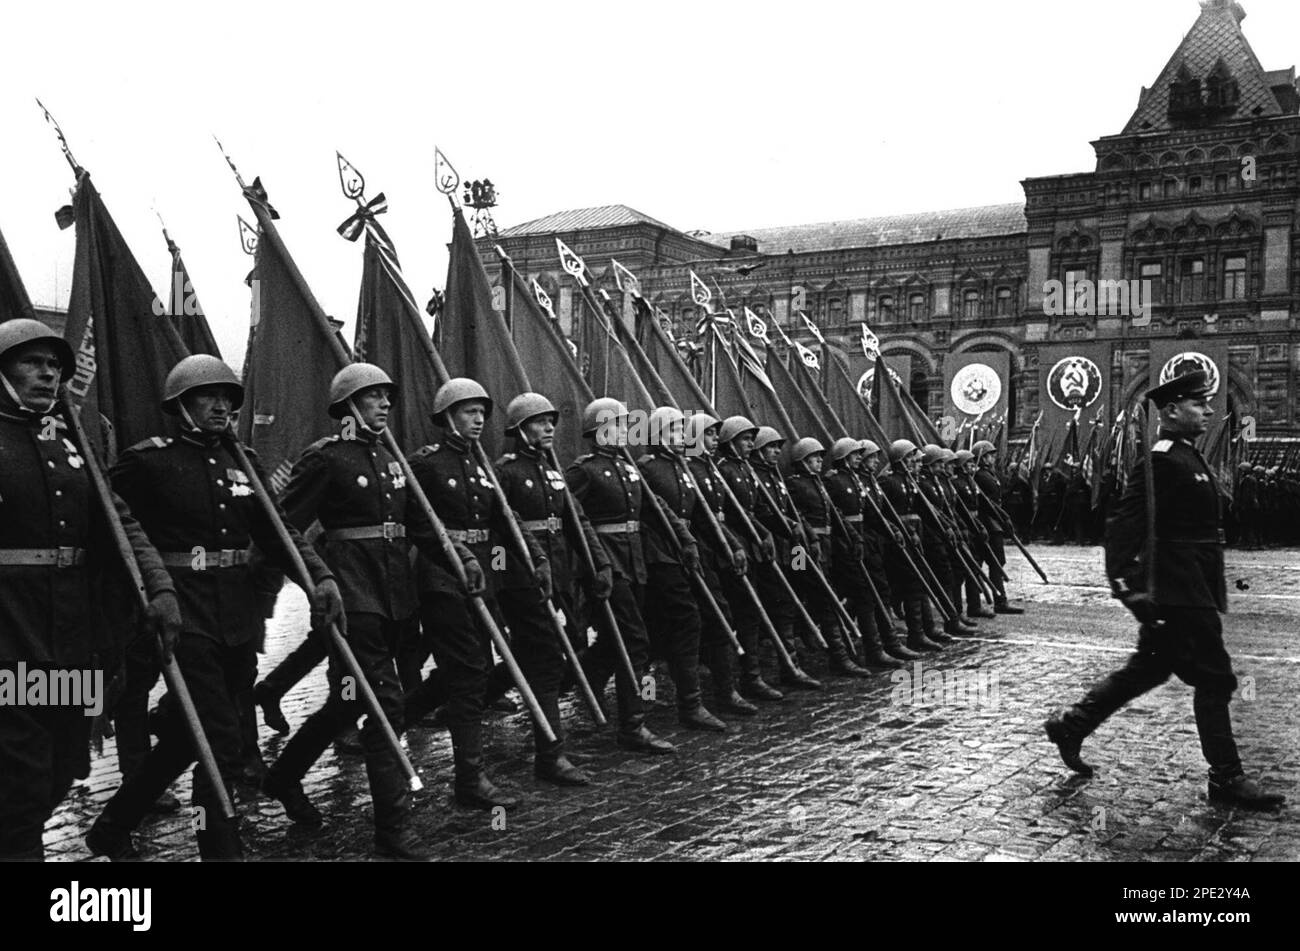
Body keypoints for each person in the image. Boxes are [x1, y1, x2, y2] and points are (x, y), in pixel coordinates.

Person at [87, 355, 343, 861]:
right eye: (209, 397)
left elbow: (277, 532)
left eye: (228, 398)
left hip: (237, 615)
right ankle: (219, 848)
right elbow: (112, 533)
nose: (221, 405)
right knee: (222, 740)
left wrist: (320, 577)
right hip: (181, 616)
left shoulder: (240, 460)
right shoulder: (148, 462)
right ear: (180, 405)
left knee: (187, 737)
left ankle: (112, 826)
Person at [262, 365, 484, 860]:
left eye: (387, 396)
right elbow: (281, 526)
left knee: (347, 703)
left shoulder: (391, 459)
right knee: (386, 707)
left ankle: (282, 776)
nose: (385, 404)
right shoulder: (326, 458)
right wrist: (320, 577)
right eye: (373, 397)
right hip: (353, 595)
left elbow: (422, 528)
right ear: (348, 406)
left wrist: (462, 558)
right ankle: (393, 832)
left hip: (395, 599)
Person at [1044, 370, 1285, 810]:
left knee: (1149, 669)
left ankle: (1072, 725)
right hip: (1177, 594)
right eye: (1198, 404)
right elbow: (1124, 525)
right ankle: (1226, 777)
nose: (1209, 410)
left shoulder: (1187, 456)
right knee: (1215, 678)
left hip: (1191, 588)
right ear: (1172, 410)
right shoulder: (1160, 461)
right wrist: (1126, 587)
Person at [0, 320, 179, 862]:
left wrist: (159, 585)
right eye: (33, 362)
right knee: (25, 777)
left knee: (66, 763)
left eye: (55, 364)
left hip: (74, 635)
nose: (49, 373)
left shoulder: (69, 438)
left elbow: (118, 520)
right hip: (10, 635)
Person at [403, 378, 547, 810]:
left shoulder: (483, 465)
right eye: (469, 411)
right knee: (467, 674)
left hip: (485, 576)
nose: (479, 418)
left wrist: (535, 556)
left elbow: (506, 519)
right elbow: (419, 523)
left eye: (483, 411)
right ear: (447, 416)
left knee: (468, 672)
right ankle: (470, 778)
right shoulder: (427, 464)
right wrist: (458, 557)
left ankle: (390, 721)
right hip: (442, 580)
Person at [494, 392, 613, 781]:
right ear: (520, 428)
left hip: (556, 576)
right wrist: (509, 574)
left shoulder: (551, 471)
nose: (548, 428)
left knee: (552, 650)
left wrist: (600, 565)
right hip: (522, 581)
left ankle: (479, 694)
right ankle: (551, 756)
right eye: (539, 422)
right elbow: (499, 531)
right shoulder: (507, 472)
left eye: (551, 422)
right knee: (545, 660)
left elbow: (576, 524)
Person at [565, 398, 677, 754]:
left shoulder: (627, 468)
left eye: (626, 424)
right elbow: (572, 519)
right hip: (607, 566)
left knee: (615, 643)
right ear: (598, 430)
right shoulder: (585, 470)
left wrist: (684, 541)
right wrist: (594, 565)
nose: (624, 430)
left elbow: (652, 511)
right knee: (635, 641)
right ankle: (633, 724)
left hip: (634, 561)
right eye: (616, 424)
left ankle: (581, 684)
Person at [878, 440, 946, 653]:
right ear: (900, 461)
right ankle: (914, 634)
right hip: (896, 541)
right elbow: (883, 514)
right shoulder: (888, 482)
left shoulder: (909, 482)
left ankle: (920, 632)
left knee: (917, 583)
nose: (915, 463)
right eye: (911, 459)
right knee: (907, 584)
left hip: (913, 537)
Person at [971, 440, 1023, 615]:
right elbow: (987, 504)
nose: (993, 458)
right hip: (987, 523)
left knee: (996, 562)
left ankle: (998, 600)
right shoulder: (979, 476)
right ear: (982, 458)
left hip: (995, 522)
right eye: (989, 455)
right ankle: (982, 602)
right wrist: (1002, 519)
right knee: (984, 563)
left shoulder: (990, 474)